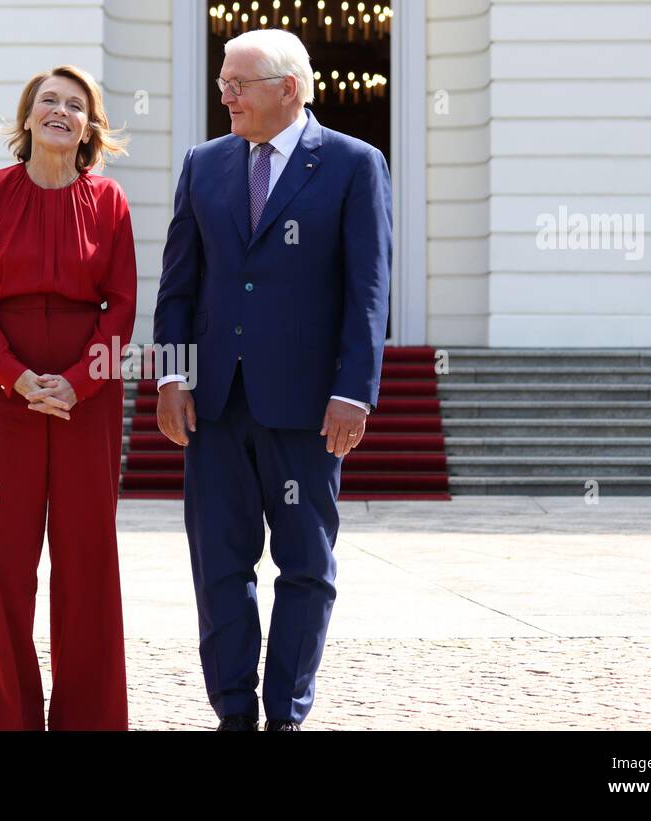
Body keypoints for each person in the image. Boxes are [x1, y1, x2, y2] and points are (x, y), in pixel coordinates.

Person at [153, 29, 392, 730]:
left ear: (289, 88)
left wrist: (355, 390)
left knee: (306, 567)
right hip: (215, 407)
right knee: (218, 566)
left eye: (239, 83)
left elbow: (368, 289)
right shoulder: (204, 165)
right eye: (223, 81)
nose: (224, 93)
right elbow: (177, 287)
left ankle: (285, 710)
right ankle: (233, 709)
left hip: (308, 408)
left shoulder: (353, 164)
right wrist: (173, 377)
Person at [0, 65, 136, 731]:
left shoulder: (111, 203)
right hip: (8, 395)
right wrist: (16, 376)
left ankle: (89, 720)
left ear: (89, 127)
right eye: (49, 102)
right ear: (27, 117)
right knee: (2, 565)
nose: (61, 111)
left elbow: (122, 307)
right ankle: (10, 720)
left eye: (75, 105)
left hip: (87, 400)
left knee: (88, 561)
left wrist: (79, 381)